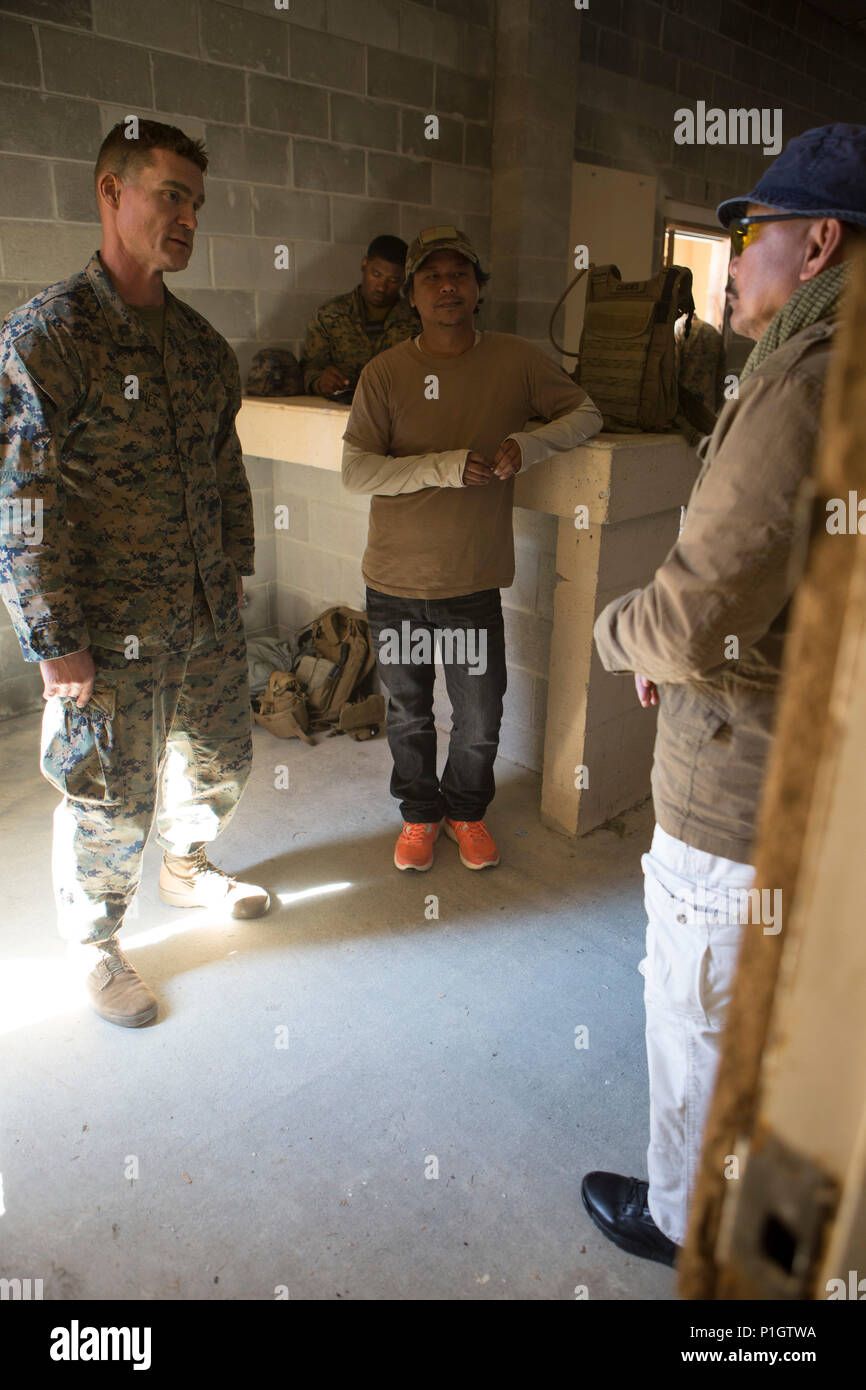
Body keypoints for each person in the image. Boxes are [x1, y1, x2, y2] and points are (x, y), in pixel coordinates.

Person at [583, 124, 866, 1265]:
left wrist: (625, 638)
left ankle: (691, 1219)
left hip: (743, 787)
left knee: (700, 1018)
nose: (734, 256)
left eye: (751, 234)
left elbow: (691, 616)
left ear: (817, 246)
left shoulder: (806, 381)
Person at [0, 119, 270, 1030]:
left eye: (196, 201)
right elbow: (21, 499)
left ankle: (188, 867)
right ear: (110, 194)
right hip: (103, 629)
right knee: (109, 794)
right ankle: (97, 945)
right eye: (170, 194)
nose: (188, 215)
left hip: (202, 612)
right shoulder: (50, 337)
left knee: (222, 761)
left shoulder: (201, 347)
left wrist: (234, 567)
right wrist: (53, 639)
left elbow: (226, 467)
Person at [342, 226, 603, 872]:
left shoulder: (515, 360)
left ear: (479, 288)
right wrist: (447, 466)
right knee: (407, 712)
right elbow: (358, 472)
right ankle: (420, 817)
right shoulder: (385, 373)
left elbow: (586, 413)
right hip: (396, 585)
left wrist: (531, 444)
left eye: (460, 274)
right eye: (432, 277)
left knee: (480, 715)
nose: (447, 286)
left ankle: (466, 811)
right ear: (412, 296)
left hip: (471, 583)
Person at [301, 235, 419, 399]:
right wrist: (319, 382)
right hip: (338, 414)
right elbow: (309, 367)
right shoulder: (329, 315)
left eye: (392, 280)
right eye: (376, 274)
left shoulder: (417, 321)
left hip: (397, 412)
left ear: (404, 280)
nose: (381, 287)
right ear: (364, 264)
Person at [672, 267, 726, 446]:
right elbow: (722, 377)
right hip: (707, 407)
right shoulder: (712, 332)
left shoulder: (678, 331)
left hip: (687, 410)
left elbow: (672, 371)